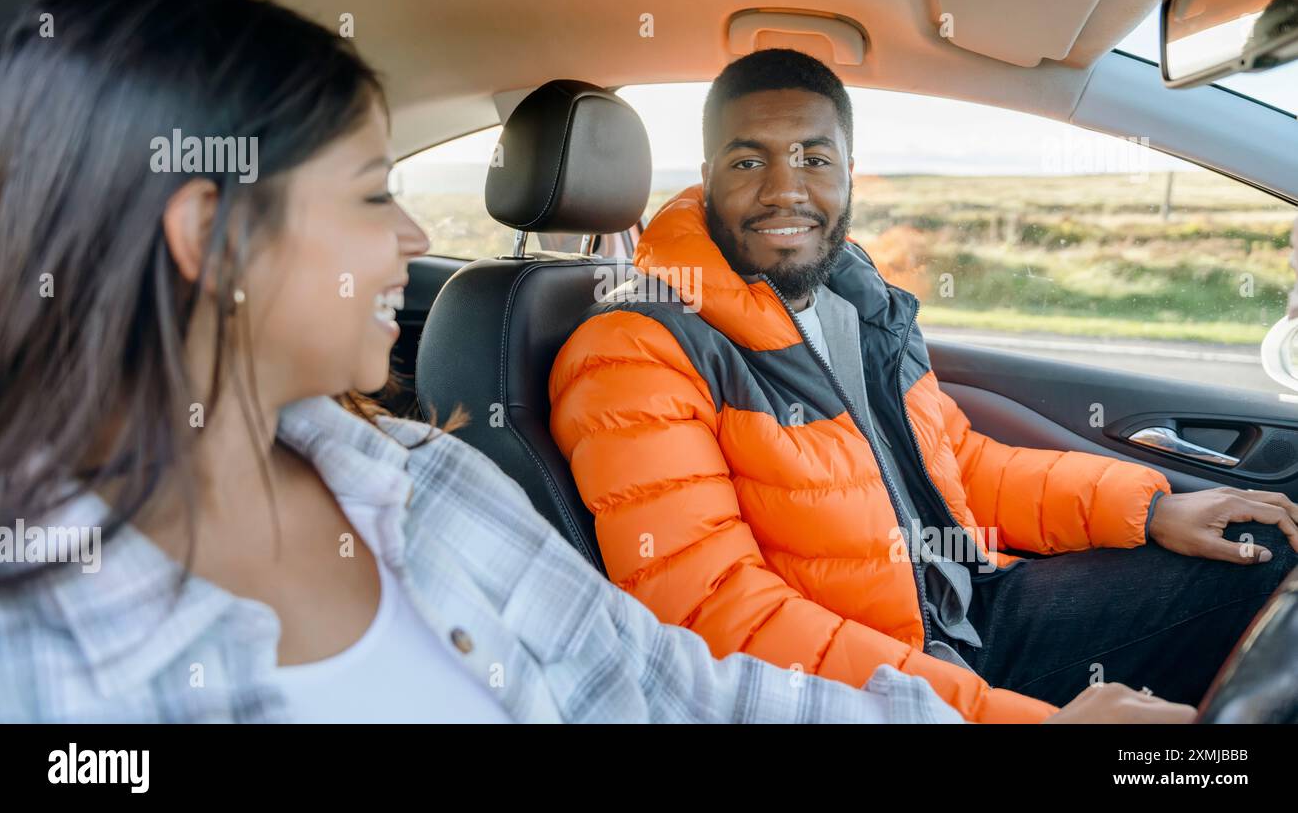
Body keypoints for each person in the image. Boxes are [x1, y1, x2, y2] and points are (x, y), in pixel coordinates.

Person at [0, 0, 982, 724]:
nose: (415, 238)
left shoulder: (418, 477)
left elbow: (665, 684)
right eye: (372, 193)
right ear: (211, 237)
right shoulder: (39, 660)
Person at [549, 48, 1298, 723]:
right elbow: (717, 619)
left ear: (849, 172)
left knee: (1261, 550)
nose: (786, 190)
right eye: (749, 162)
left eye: (814, 158)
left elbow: (962, 465)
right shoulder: (633, 349)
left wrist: (1152, 508)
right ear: (708, 177)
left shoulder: (849, 300)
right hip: (872, 682)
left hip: (967, 610)